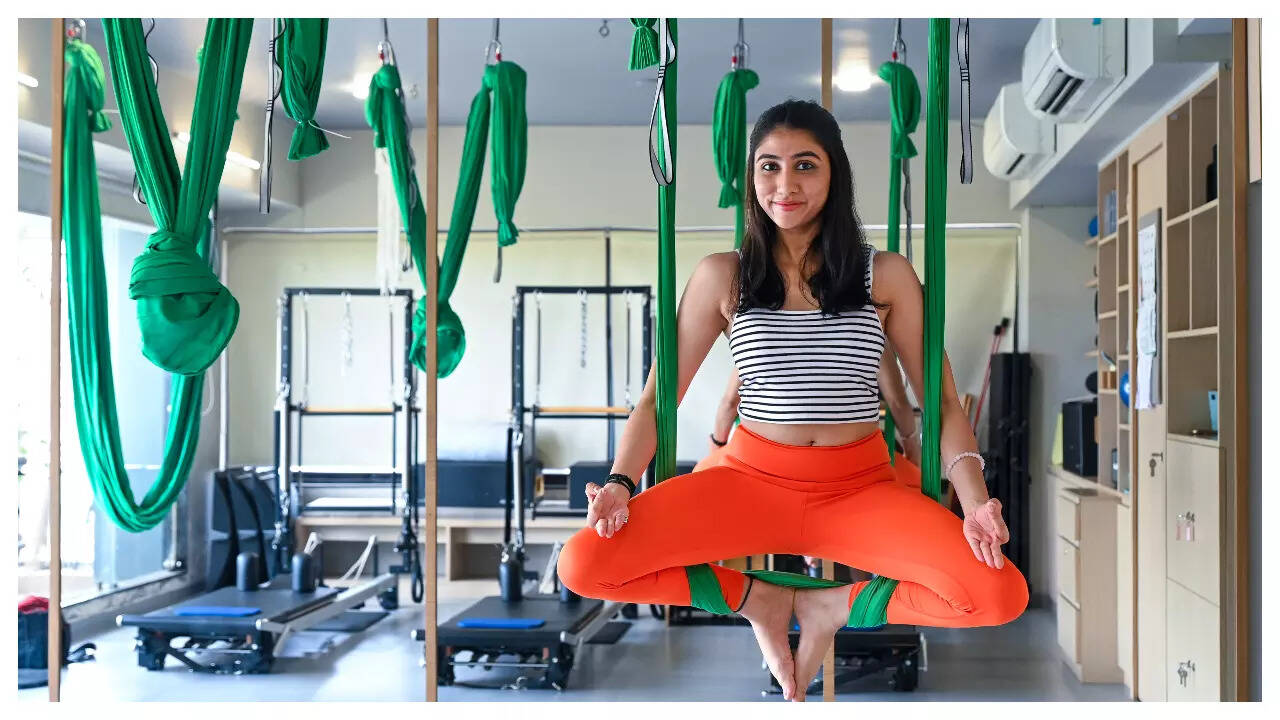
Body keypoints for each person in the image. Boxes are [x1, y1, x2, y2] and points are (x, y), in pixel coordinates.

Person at [557, 99, 1027, 701]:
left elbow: (942, 410)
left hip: (859, 488)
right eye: (768, 167)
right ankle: (761, 598)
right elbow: (655, 401)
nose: (785, 185)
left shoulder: (884, 276)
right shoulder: (723, 276)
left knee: (997, 594)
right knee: (584, 564)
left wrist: (976, 503)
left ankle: (834, 606)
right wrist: (622, 481)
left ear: (835, 174)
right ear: (751, 179)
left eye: (805, 165)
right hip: (748, 482)